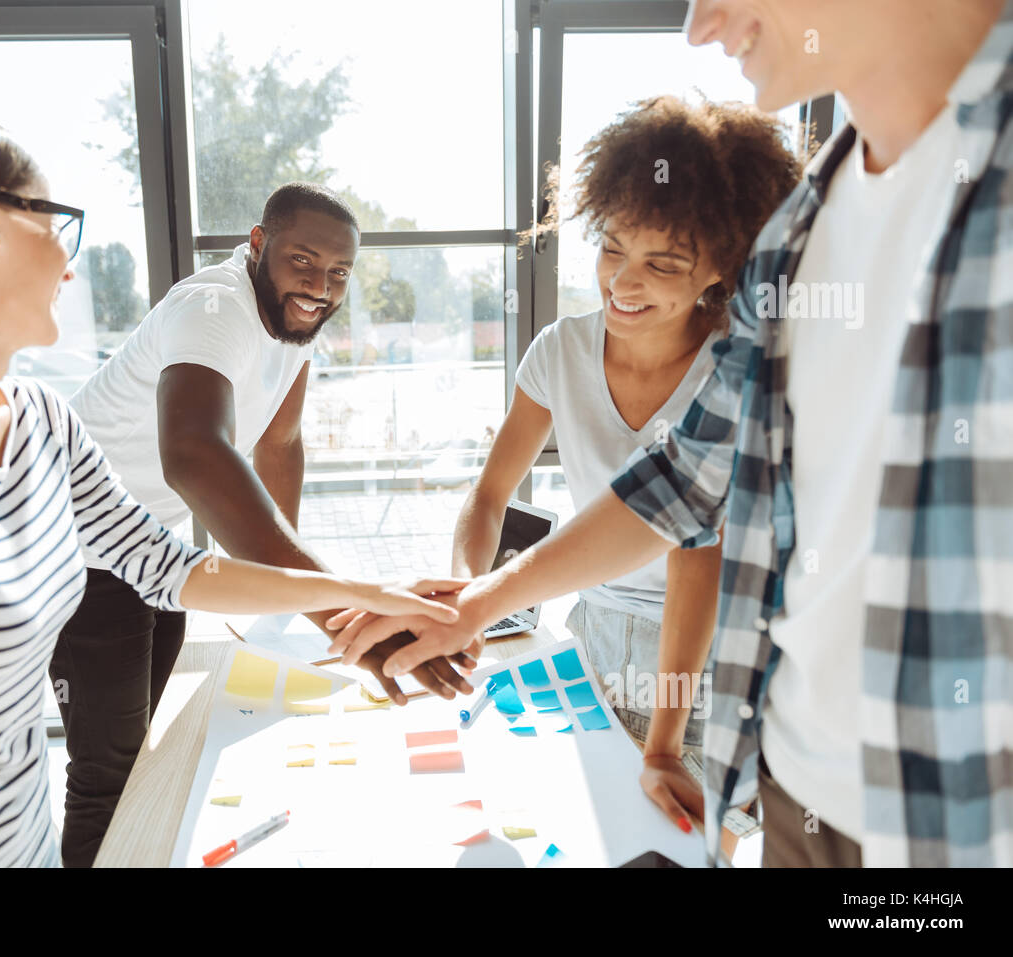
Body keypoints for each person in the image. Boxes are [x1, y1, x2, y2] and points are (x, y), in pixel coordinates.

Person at [331, 0, 1013, 867]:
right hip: (802, 789)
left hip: (953, 821)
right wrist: (478, 604)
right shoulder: (800, 226)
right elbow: (687, 482)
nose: (699, 24)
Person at [0, 105, 462, 868]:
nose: (72, 267)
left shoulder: (42, 423)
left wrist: (363, 599)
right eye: (57, 225)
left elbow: (172, 567)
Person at [54, 183, 473, 865]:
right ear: (257, 243)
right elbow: (193, 453)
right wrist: (331, 607)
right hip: (81, 556)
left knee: (153, 756)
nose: (320, 286)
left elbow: (278, 446)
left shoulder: (292, 326)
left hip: (153, 548)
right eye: (303, 261)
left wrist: (284, 594)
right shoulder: (214, 307)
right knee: (110, 776)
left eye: (339, 272)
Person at [446, 94, 799, 849]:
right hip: (597, 632)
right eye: (612, 248)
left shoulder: (735, 369)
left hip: (702, 654)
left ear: (720, 271)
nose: (622, 283)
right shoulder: (560, 352)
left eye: (662, 263)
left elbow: (694, 554)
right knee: (592, 838)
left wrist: (666, 741)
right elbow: (488, 495)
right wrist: (465, 597)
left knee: (690, 845)